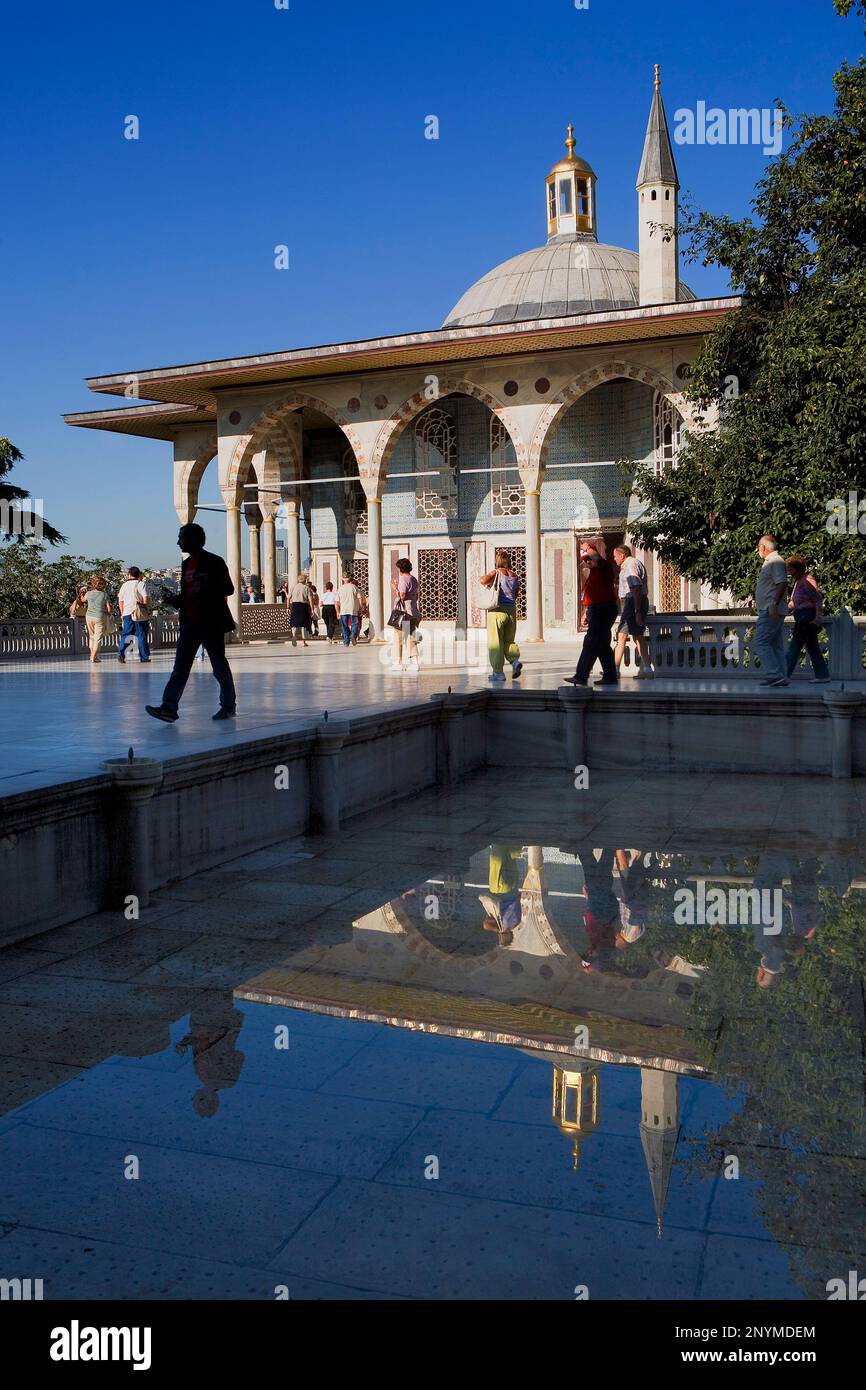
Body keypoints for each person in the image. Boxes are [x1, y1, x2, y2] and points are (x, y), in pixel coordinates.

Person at [145, 523, 236, 723]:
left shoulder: (214, 561)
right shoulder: (186, 564)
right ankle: (169, 708)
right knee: (180, 667)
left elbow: (228, 589)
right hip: (190, 623)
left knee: (219, 666)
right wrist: (174, 600)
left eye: (181, 538)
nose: (178, 542)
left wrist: (204, 589)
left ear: (193, 540)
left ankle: (228, 706)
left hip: (210, 622)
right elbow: (187, 596)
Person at [566, 543, 618, 687]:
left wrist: (587, 548)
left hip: (603, 609)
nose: (588, 562)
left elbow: (597, 558)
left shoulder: (604, 567)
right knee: (602, 644)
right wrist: (585, 613)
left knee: (591, 641)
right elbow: (590, 595)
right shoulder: (593, 574)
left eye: (589, 558)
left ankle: (581, 676)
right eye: (585, 560)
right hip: (596, 609)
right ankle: (610, 676)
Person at [480, 548, 522, 684]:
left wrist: (487, 579)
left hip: (497, 611)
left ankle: (498, 673)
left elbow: (483, 581)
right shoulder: (515, 576)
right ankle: (515, 661)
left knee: (495, 643)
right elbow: (516, 595)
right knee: (509, 640)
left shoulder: (497, 572)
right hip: (511, 611)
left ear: (498, 561)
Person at [785, 557, 830, 683]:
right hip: (801, 616)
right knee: (811, 647)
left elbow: (818, 599)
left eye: (790, 569)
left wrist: (816, 619)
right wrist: (783, 610)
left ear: (797, 568)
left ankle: (784, 674)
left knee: (795, 646)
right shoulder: (798, 582)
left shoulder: (807, 581)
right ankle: (822, 675)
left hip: (807, 617)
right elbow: (796, 603)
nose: (789, 572)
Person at [613, 544, 653, 679]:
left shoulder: (630, 566)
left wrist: (637, 611)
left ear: (621, 555)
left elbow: (635, 588)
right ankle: (646, 670)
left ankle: (616, 670)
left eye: (615, 556)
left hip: (634, 602)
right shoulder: (633, 563)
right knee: (634, 636)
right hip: (635, 602)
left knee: (625, 636)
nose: (614, 559)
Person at [754, 534, 789, 687]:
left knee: (760, 641)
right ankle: (781, 676)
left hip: (770, 609)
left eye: (758, 547)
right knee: (775, 645)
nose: (758, 550)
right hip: (770, 608)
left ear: (763, 547)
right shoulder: (772, 561)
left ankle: (774, 674)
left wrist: (773, 603)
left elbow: (781, 583)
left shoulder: (775, 561)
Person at [389, 558, 421, 673]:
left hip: (403, 612)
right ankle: (414, 662)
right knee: (411, 636)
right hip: (412, 610)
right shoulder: (413, 579)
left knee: (398, 637)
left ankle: (398, 662)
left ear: (400, 569)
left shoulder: (403, 579)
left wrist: (395, 589)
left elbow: (402, 595)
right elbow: (415, 595)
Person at [116, 565, 151, 664]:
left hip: (126, 613)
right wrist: (145, 605)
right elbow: (145, 599)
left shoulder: (124, 585)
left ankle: (121, 653)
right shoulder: (141, 584)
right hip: (139, 613)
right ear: (138, 574)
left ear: (129, 574)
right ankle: (144, 657)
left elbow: (121, 601)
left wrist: (122, 614)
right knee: (141, 635)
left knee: (126, 634)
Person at [84, 574, 112, 664]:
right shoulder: (104, 595)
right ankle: (93, 656)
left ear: (93, 584)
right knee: (97, 638)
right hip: (100, 616)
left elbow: (83, 600)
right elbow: (109, 608)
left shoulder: (88, 593)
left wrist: (82, 593)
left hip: (88, 616)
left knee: (91, 636)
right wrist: (109, 614)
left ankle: (93, 655)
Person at [335, 572, 362, 646]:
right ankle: (353, 635)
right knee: (355, 624)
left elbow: (336, 602)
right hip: (353, 609)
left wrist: (337, 611)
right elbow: (360, 598)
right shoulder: (354, 587)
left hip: (343, 610)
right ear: (350, 578)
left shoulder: (340, 588)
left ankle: (346, 642)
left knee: (344, 626)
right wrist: (360, 608)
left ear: (343, 579)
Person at [288, 571, 313, 647]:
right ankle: (304, 641)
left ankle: (293, 636)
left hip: (295, 605)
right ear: (305, 580)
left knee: (294, 623)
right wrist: (312, 609)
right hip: (303, 606)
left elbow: (288, 597)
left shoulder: (293, 587)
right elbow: (310, 599)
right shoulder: (307, 588)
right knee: (304, 624)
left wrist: (288, 608)